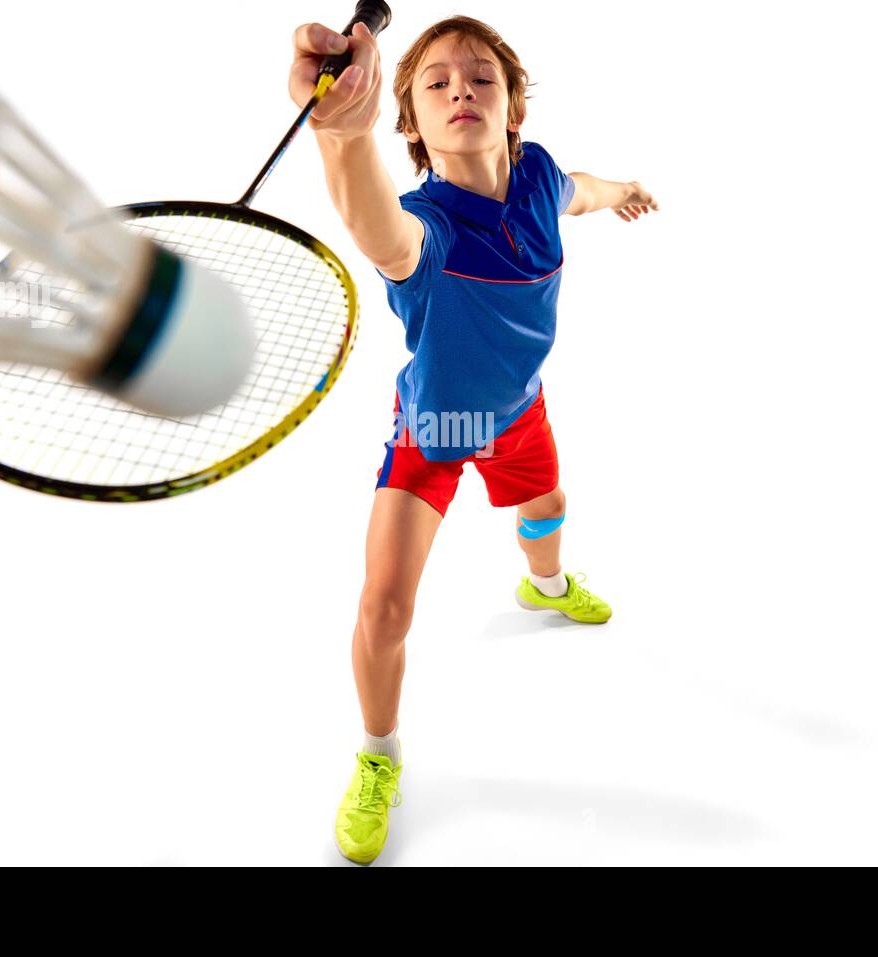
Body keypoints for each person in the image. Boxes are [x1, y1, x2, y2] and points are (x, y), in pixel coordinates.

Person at [288, 14, 658, 865]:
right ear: (410, 122)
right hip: (439, 425)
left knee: (552, 505)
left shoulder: (535, 175)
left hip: (520, 407)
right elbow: (378, 226)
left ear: (513, 106)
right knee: (384, 606)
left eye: (482, 76)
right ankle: (378, 758)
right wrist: (343, 135)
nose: (463, 87)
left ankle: (546, 586)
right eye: (438, 81)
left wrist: (623, 189)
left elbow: (583, 188)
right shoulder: (428, 226)